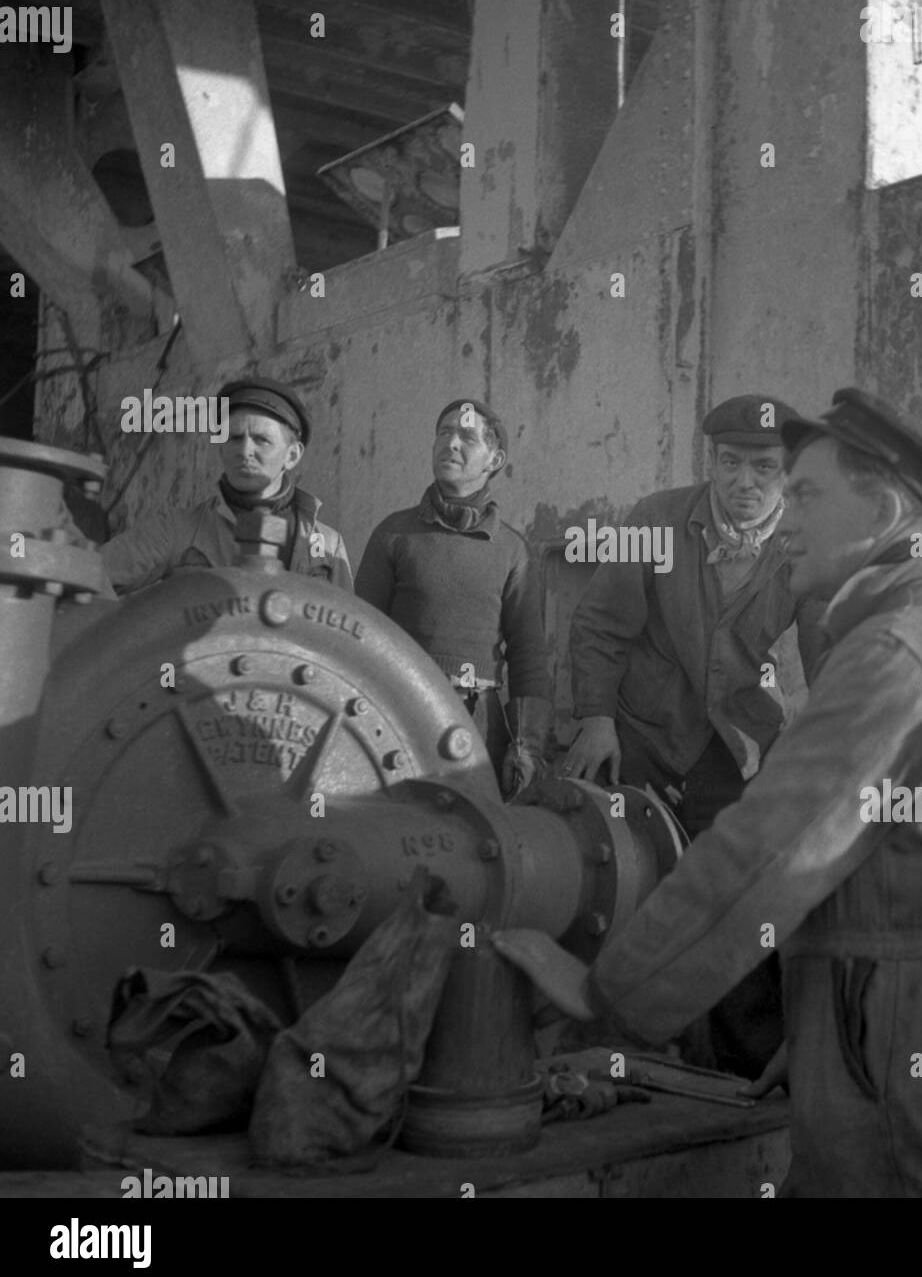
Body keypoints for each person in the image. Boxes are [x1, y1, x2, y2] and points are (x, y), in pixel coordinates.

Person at [499, 389, 922, 1196]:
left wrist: (604, 990)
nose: (783, 514)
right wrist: (819, 1034)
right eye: (763, 478)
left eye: (802, 492)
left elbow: (768, 853)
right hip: (919, 1027)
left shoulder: (895, 655)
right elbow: (883, 878)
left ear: (879, 509)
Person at [564, 394, 822, 1079]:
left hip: (735, 749)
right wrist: (594, 717)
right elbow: (599, 627)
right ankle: (619, 1058)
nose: (744, 482)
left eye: (764, 468)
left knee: (740, 898)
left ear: (788, 470)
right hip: (640, 737)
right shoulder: (653, 518)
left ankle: (743, 1076)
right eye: (730, 462)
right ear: (709, 459)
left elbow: (830, 659)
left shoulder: (806, 541)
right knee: (623, 883)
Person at [354, 399, 552, 800]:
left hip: (479, 729)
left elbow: (528, 655)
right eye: (444, 433)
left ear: (494, 459)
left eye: (467, 436)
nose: (451, 444)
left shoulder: (513, 550)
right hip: (399, 718)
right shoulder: (393, 534)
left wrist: (527, 746)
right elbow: (360, 639)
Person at [101, 376, 351, 593]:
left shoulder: (326, 546)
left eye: (261, 440)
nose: (245, 451)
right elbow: (93, 574)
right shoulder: (179, 531)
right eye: (234, 438)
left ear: (292, 455)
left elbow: (350, 636)